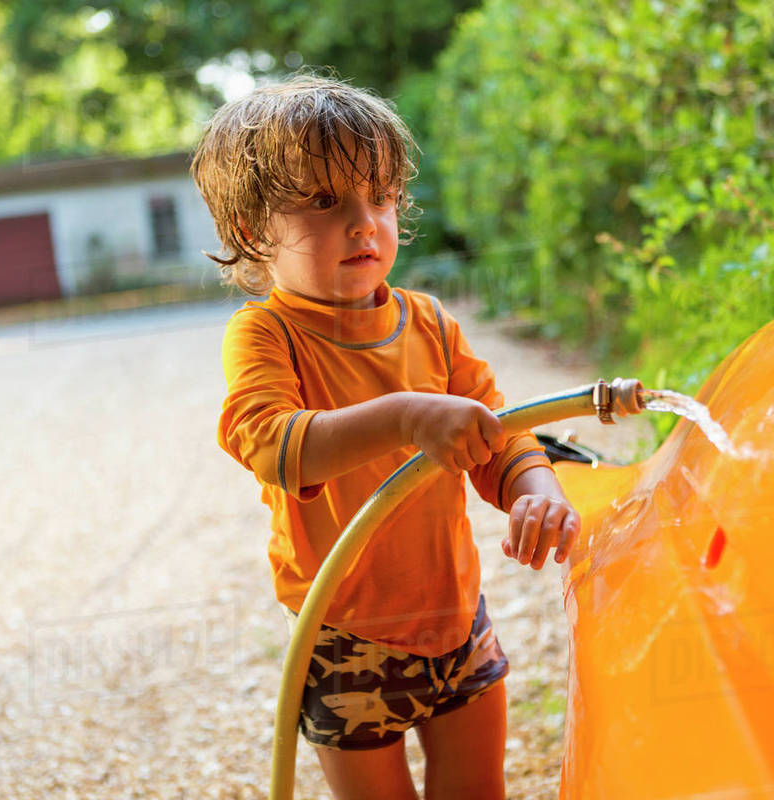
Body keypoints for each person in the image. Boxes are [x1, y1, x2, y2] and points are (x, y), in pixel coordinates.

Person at [192, 75, 582, 800]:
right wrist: (406, 417)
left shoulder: (429, 323)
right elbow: (273, 445)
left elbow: (499, 435)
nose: (362, 222)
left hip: (457, 619)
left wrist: (536, 488)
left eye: (378, 197)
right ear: (251, 229)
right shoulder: (266, 333)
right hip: (345, 638)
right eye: (322, 202)